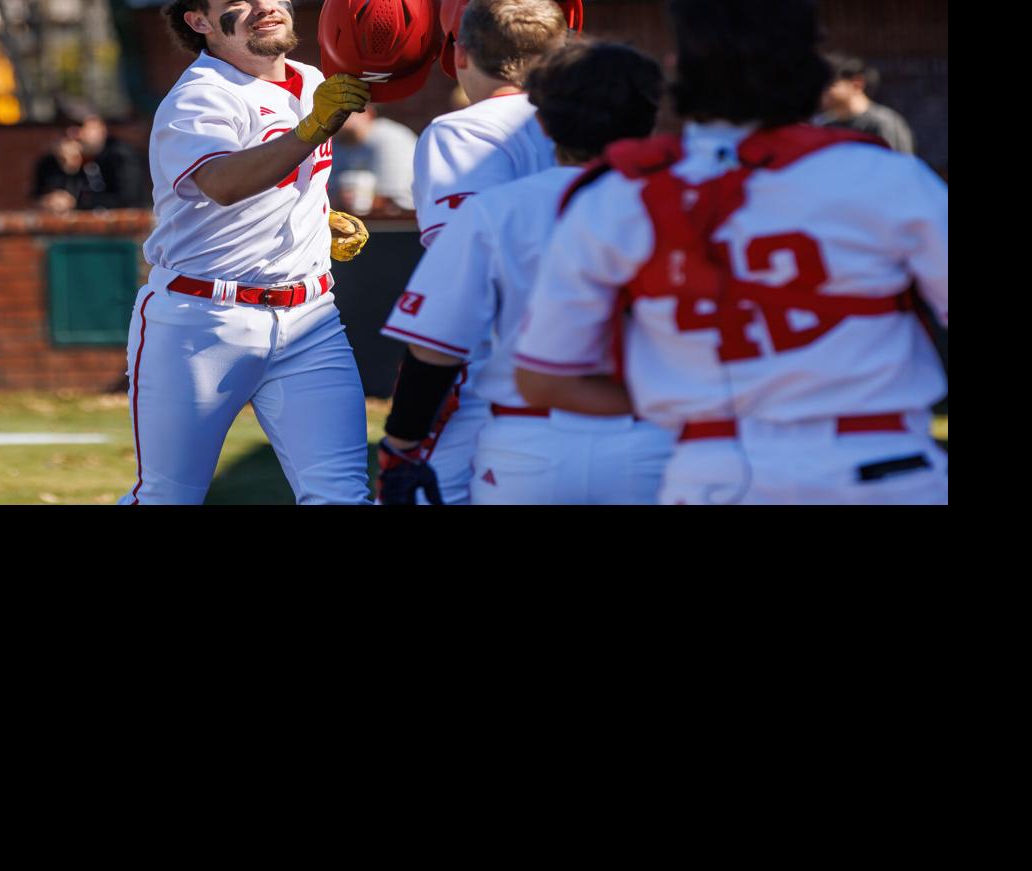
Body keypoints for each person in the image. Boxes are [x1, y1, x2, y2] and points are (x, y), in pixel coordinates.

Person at [515, 0, 950, 505]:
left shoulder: (616, 195)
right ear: (813, 63)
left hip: (713, 473)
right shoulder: (885, 177)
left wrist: (683, 395)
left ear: (675, 68)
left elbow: (543, 380)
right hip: (877, 465)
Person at [376, 40, 672, 505]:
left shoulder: (496, 210)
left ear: (542, 122)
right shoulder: (697, 207)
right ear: (652, 116)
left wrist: (401, 444)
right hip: (658, 438)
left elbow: (434, 348)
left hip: (528, 444)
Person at [120, 0, 374, 505]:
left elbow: (283, 179)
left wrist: (318, 219)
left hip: (310, 321)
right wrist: (311, 131)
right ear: (199, 21)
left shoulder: (308, 77)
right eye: (239, 3)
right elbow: (221, 182)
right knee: (168, 497)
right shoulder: (199, 94)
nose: (264, 7)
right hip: (202, 320)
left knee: (342, 495)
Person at [377, 0, 577, 505]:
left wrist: (404, 434)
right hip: (605, 377)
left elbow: (463, 276)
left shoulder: (464, 129)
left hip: (496, 380)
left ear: (460, 53)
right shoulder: (594, 125)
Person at [33, 101, 148, 212]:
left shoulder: (120, 155)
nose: (71, 132)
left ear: (100, 128)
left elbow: (129, 201)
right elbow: (39, 200)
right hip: (68, 231)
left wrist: (76, 202)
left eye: (79, 125)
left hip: (121, 230)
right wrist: (66, 169)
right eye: (64, 126)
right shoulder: (52, 162)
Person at [816, 53, 915, 156]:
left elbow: (898, 166)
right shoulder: (823, 125)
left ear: (857, 83)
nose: (822, 91)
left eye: (829, 85)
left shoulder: (884, 124)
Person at [325, 105, 418, 214]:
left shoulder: (386, 137)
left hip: (404, 222)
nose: (335, 116)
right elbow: (326, 192)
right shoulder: (337, 142)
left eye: (344, 111)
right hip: (364, 222)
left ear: (367, 113)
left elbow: (391, 200)